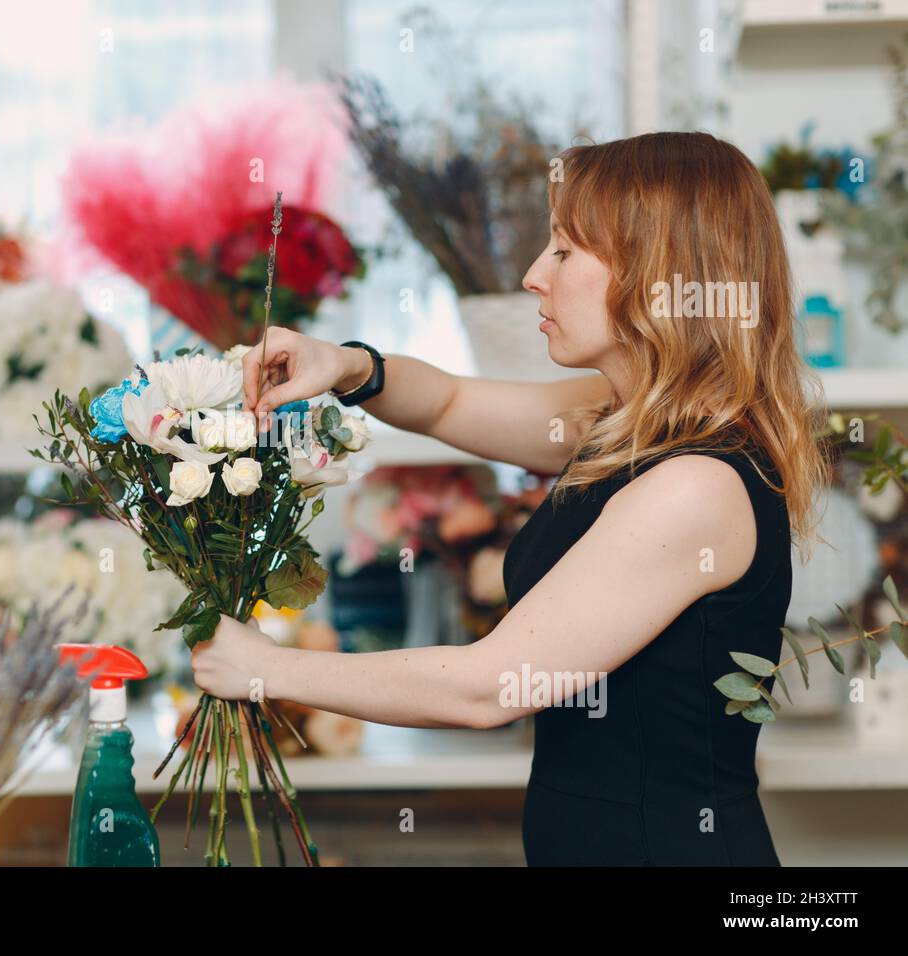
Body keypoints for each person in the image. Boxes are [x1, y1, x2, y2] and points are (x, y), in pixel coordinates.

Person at [190, 131, 830, 866]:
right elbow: (446, 402)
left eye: (562, 250)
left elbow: (488, 688)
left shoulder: (696, 485)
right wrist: (345, 365)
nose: (533, 275)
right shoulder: (620, 424)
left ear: (659, 275)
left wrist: (270, 669)